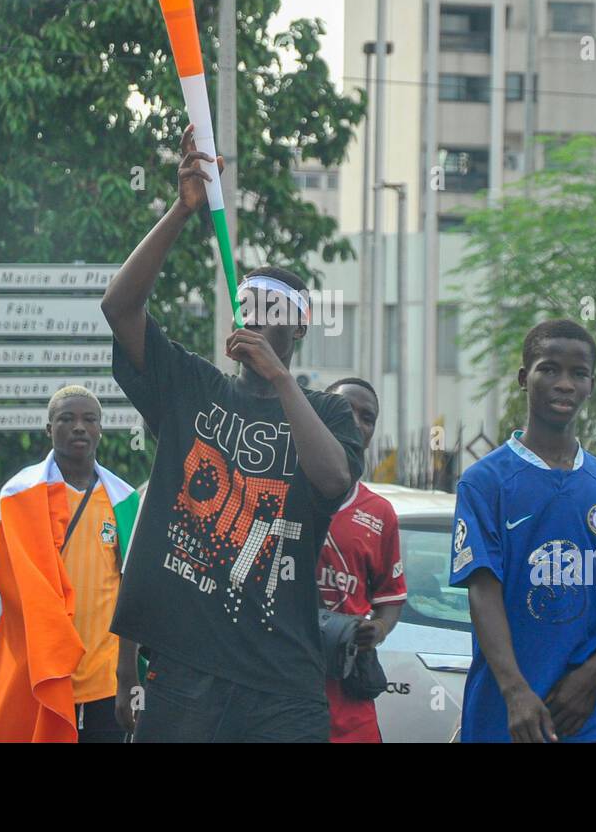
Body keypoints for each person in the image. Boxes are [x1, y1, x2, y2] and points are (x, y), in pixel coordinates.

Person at [101, 124, 363, 743]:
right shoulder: (193, 388)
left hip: (283, 682)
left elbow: (332, 479)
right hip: (184, 673)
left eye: (275, 309)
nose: (257, 316)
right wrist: (182, 209)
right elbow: (119, 308)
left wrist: (279, 381)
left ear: (297, 329)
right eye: (248, 302)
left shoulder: (328, 412)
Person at [449, 319, 596, 743]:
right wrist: (516, 691)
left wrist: (590, 680)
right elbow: (483, 591)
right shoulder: (485, 482)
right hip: (509, 709)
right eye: (549, 369)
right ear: (523, 378)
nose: (564, 384)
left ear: (591, 384)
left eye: (578, 373)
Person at [0, 386, 141, 742]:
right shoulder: (17, 496)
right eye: (66, 419)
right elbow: (15, 590)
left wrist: (128, 672)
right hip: (41, 666)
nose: (79, 427)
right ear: (48, 428)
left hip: (105, 670)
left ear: (101, 428)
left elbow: (132, 587)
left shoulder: (125, 499)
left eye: (89, 419)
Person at [316, 377, 406, 742]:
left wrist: (379, 630)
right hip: (282, 685)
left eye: (367, 417)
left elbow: (391, 598)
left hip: (347, 693)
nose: (356, 422)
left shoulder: (379, 512)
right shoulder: (281, 488)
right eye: (345, 409)